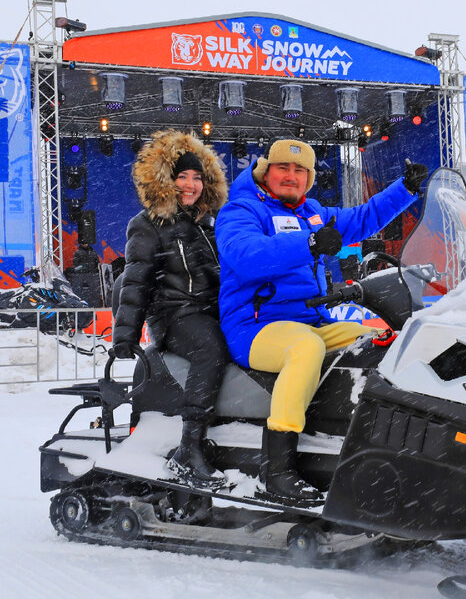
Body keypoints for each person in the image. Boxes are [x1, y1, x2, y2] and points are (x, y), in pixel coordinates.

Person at [216, 138, 427, 505]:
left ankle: (371, 440)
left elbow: (360, 220)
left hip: (311, 319)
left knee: (377, 341)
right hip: (254, 327)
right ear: (266, 172)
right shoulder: (241, 210)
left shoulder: (310, 211)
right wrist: (310, 243)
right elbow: (248, 256)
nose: (291, 176)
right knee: (305, 348)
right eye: (283, 168)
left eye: (300, 170)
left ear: (309, 178)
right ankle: (277, 469)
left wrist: (405, 189)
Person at [111, 130, 230, 488]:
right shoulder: (147, 225)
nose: (190, 185)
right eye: (182, 176)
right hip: (174, 316)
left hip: (211, 311)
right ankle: (189, 448)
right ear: (166, 181)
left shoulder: (209, 224)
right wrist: (125, 334)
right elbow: (136, 281)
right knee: (211, 349)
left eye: (197, 177)